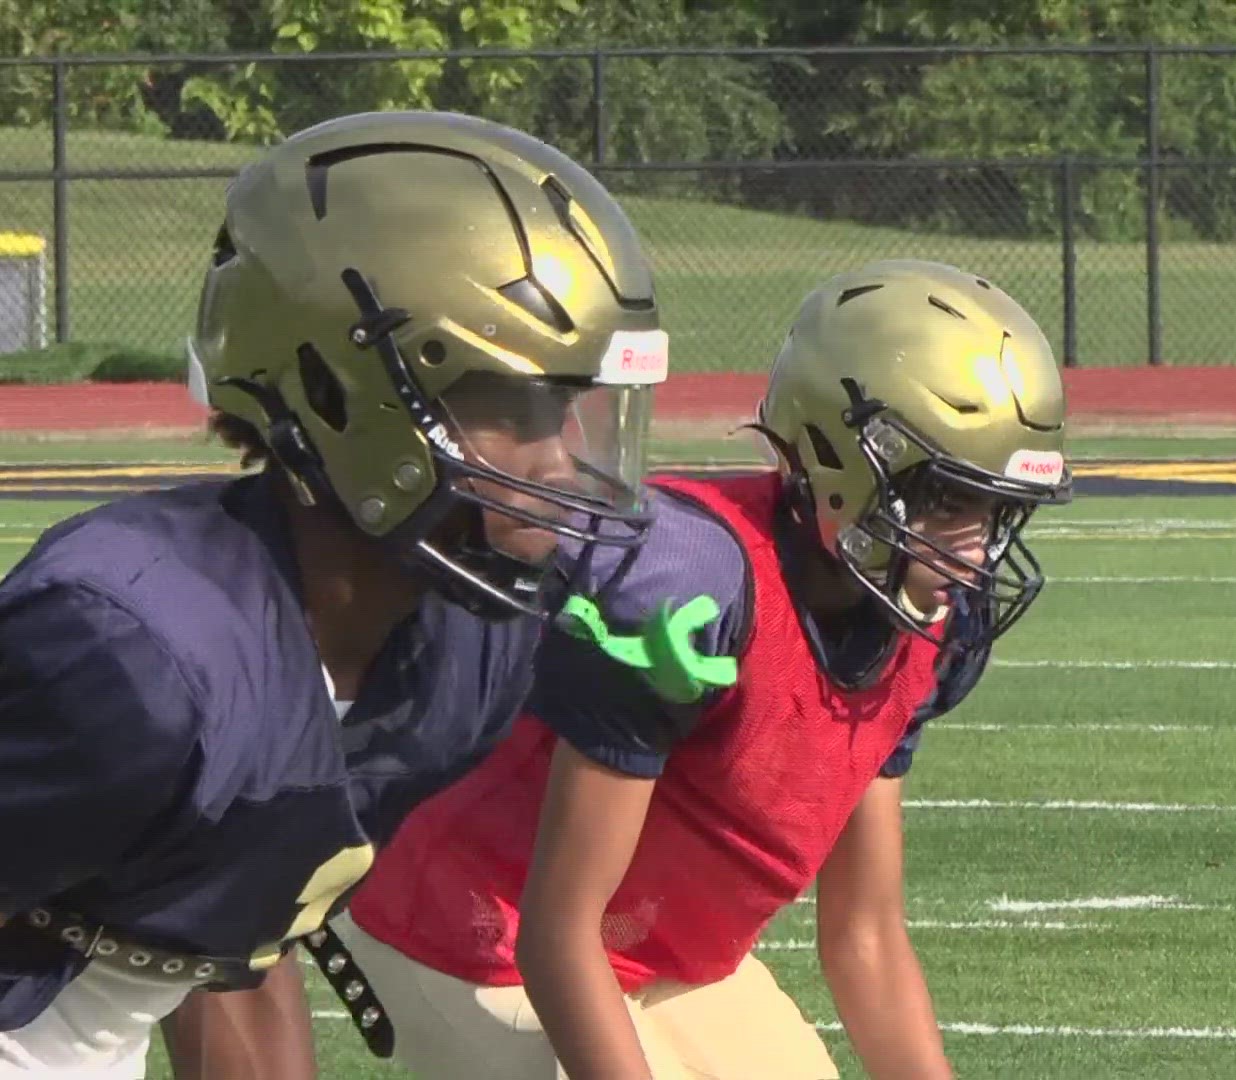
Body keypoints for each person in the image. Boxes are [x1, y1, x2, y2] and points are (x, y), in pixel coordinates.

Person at [0, 108, 670, 1079]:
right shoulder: (137, 654)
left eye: (572, 408)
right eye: (518, 407)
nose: (563, 460)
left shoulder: (462, 650)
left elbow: (232, 921)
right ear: (339, 392)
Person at [324, 259, 1073, 1080]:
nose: (972, 553)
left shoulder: (922, 623)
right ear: (840, 458)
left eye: (996, 512)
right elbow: (557, 932)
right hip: (474, 921)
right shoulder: (692, 592)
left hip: (662, 953)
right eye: (945, 501)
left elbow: (863, 936)